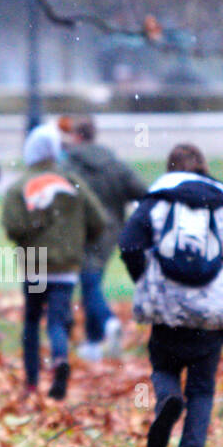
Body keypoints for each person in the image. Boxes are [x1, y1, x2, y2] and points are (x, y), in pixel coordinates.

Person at [119, 144, 223, 447]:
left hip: (167, 308)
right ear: (203, 168)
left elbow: (128, 243)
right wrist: (222, 277)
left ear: (171, 169)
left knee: (163, 366)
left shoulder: (156, 203)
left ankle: (169, 399)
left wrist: (146, 276)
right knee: (202, 389)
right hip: (210, 316)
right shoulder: (221, 207)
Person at [1, 122, 107, 401]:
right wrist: (78, 240)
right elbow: (99, 220)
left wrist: (30, 234)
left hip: (34, 265)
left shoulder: (20, 188)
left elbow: (13, 227)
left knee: (32, 320)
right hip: (66, 268)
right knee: (57, 321)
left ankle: (32, 381)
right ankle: (60, 360)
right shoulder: (73, 183)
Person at [61, 114, 147, 361]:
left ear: (77, 136)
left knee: (89, 282)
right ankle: (93, 342)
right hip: (110, 233)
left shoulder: (70, 166)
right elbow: (141, 192)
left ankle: (106, 324)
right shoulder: (114, 164)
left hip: (80, 232)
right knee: (92, 281)